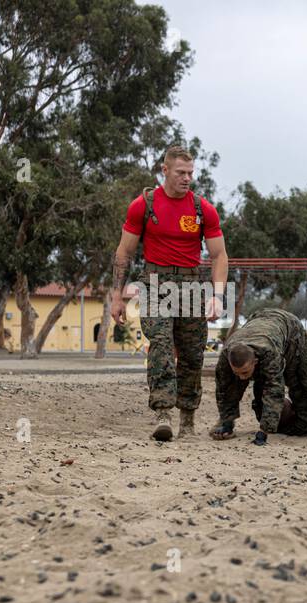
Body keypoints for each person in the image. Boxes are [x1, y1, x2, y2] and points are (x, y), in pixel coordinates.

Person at [109, 144, 229, 440]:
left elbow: (219, 256)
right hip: (155, 284)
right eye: (180, 172)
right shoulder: (144, 205)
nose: (187, 178)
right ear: (165, 171)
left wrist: (217, 295)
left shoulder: (203, 209)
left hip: (191, 286)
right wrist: (116, 296)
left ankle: (187, 417)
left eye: (190, 173)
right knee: (160, 343)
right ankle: (163, 412)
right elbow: (124, 252)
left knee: (191, 354)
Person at [211, 308, 307, 444]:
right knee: (239, 386)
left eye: (245, 373)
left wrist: (264, 432)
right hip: (260, 320)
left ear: (255, 361)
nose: (243, 378)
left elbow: (274, 390)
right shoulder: (226, 357)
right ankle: (227, 420)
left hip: (291, 331)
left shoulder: (269, 353)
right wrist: (227, 422)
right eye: (237, 372)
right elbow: (224, 390)